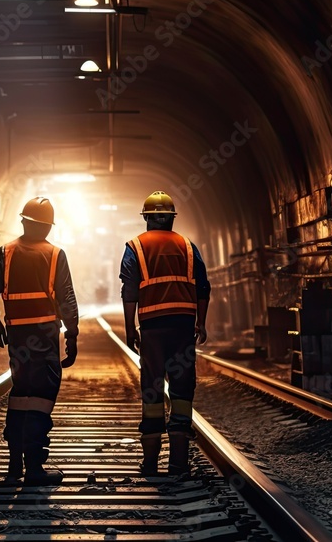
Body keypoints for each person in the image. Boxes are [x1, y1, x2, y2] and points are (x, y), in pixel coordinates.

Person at [0, 196, 79, 485]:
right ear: (48, 226)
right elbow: (67, 298)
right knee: (41, 395)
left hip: (18, 338)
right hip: (46, 336)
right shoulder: (55, 254)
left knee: (21, 393)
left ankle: (14, 467)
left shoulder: (6, 251)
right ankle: (34, 467)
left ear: (23, 221)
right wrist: (72, 334)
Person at [120, 191, 210, 476]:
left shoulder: (135, 246)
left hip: (152, 328)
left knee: (152, 387)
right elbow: (203, 287)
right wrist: (201, 323)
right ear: (171, 219)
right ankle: (179, 464)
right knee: (182, 390)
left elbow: (129, 290)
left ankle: (149, 463)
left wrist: (128, 327)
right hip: (183, 326)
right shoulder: (187, 245)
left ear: (146, 218)